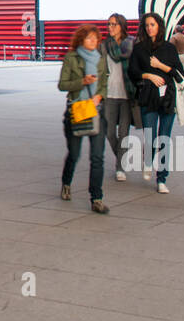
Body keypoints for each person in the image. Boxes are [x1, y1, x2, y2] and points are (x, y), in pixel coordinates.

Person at [128, 11, 184, 193]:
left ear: (159, 26)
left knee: (164, 138)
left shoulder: (169, 48)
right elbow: (132, 72)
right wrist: (149, 75)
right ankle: (147, 162)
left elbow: (180, 73)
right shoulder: (139, 49)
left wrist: (160, 66)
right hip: (148, 96)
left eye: (152, 24)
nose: (149, 28)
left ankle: (162, 178)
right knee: (150, 135)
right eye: (147, 25)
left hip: (167, 97)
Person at [56, 24, 110, 213]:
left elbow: (104, 83)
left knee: (97, 157)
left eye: (96, 38)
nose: (93, 42)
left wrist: (99, 95)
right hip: (77, 110)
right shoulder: (72, 58)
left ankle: (96, 198)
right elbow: (62, 85)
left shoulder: (101, 60)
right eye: (89, 38)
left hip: (96, 110)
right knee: (74, 154)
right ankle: (66, 182)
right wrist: (82, 82)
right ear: (81, 40)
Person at [97, 13, 137, 184]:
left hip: (128, 95)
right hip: (110, 94)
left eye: (114, 24)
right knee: (110, 133)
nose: (110, 27)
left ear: (122, 25)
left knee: (123, 133)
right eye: (109, 24)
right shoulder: (104, 45)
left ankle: (120, 167)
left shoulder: (132, 44)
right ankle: (122, 157)